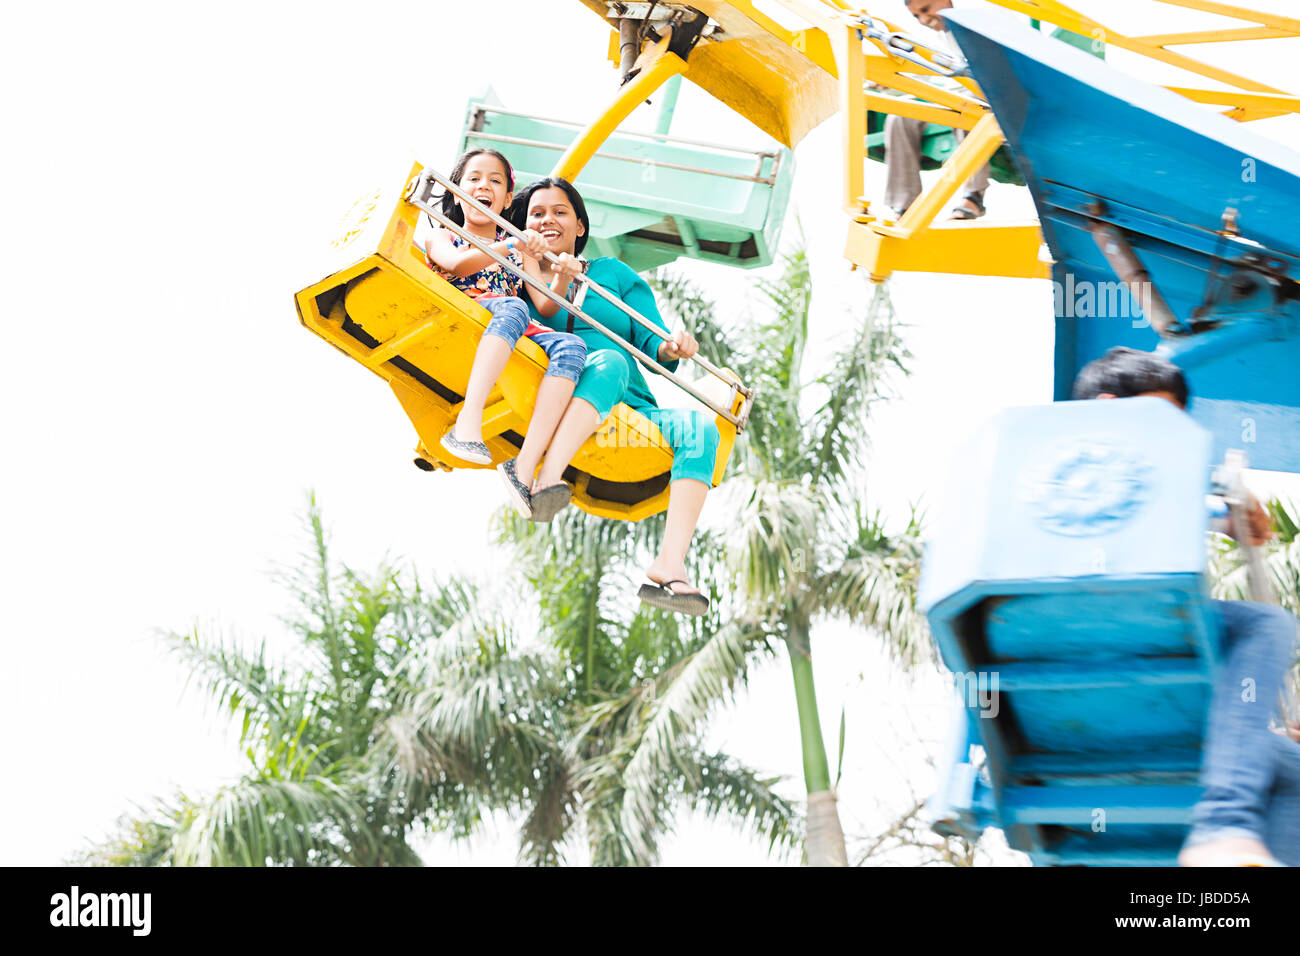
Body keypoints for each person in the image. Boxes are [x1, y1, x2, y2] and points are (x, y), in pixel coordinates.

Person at [1074, 346, 1300, 866]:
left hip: (1077, 694)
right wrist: (1229, 511)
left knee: (1288, 766)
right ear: (1109, 408)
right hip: (1130, 648)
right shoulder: (1098, 466)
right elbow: (1138, 495)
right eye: (1161, 423)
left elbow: (1147, 504)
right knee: (1264, 625)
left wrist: (1224, 520)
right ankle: (1224, 823)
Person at [507, 177, 719, 616]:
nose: (549, 220)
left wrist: (671, 347)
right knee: (606, 359)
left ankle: (671, 565)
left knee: (700, 428)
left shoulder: (611, 275)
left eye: (560, 212)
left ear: (580, 227)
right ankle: (545, 479)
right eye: (537, 213)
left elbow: (650, 337)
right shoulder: (515, 278)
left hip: (628, 406)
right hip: (555, 398)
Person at [423, 148, 588, 520]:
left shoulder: (517, 245)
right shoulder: (442, 234)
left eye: (495, 181)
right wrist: (512, 244)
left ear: (508, 198)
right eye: (474, 179)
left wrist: (562, 272)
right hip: (465, 309)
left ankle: (524, 463)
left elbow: (545, 306)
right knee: (511, 306)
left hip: (506, 320)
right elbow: (458, 264)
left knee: (571, 347)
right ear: (455, 191)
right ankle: (469, 421)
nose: (484, 186)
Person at [879, 0, 990, 221]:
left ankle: (973, 195)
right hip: (951, 95)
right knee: (900, 115)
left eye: (926, 10)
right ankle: (905, 205)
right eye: (917, 16)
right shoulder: (936, 39)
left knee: (967, 108)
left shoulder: (980, 20)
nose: (923, 20)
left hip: (982, 95)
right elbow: (925, 71)